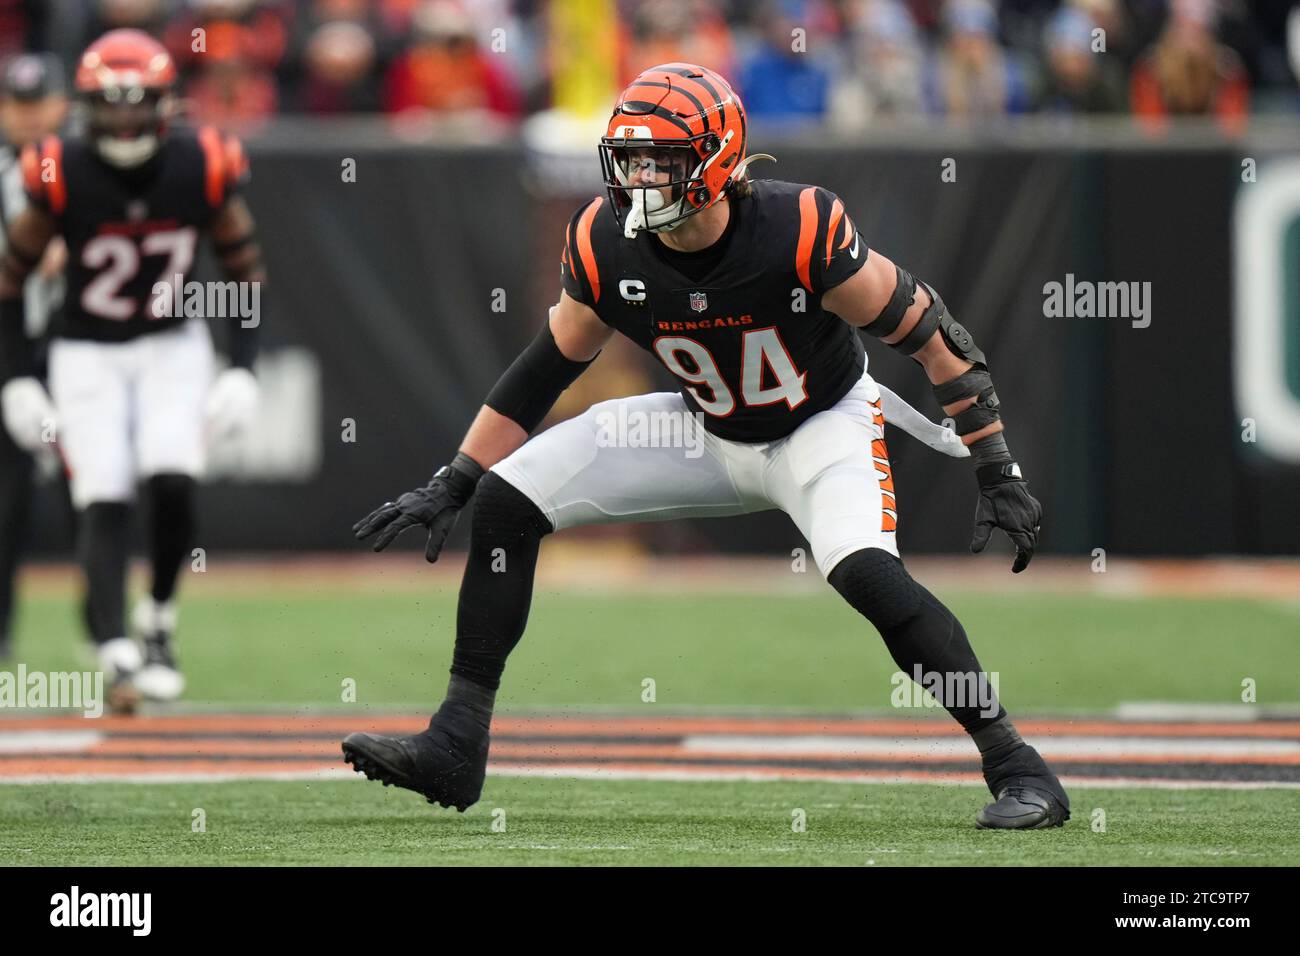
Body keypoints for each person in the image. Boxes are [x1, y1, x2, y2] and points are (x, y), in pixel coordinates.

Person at [346, 63, 1070, 830]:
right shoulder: (604, 240)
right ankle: (456, 747)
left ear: (717, 159)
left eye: (662, 159)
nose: (641, 178)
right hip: (703, 426)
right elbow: (545, 368)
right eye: (631, 159)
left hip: (819, 424)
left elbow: (935, 337)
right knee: (504, 502)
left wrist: (996, 465)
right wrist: (456, 479)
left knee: (867, 575)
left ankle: (1019, 767)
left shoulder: (800, 230)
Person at [0, 30, 264, 707]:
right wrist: (17, 376)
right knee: (104, 492)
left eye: (134, 103)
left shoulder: (201, 162)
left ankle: (159, 618)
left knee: (172, 478)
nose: (121, 120)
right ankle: (116, 649)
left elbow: (242, 268)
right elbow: (10, 277)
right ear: (88, 107)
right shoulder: (58, 166)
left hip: (170, 343)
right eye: (107, 106)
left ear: (162, 102)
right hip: (84, 348)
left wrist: (243, 366)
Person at [0, 52, 68, 660]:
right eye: (16, 104)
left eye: (36, 102)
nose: (26, 116)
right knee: (6, 501)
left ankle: (114, 640)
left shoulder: (86, 165)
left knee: (100, 496)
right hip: (8, 345)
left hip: (79, 346)